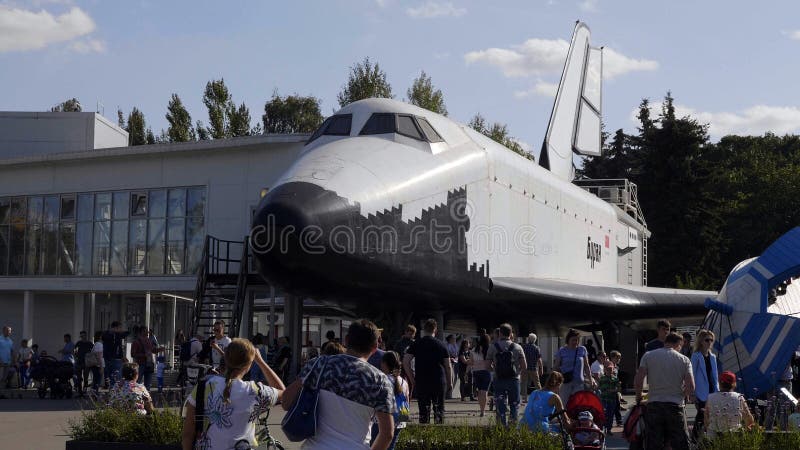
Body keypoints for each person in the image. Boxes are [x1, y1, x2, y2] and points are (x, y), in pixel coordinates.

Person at [282, 319, 395, 450]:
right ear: (375, 347)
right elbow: (387, 434)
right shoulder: (380, 382)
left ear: (346, 340)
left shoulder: (319, 364)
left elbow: (286, 402)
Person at [182, 338, 286, 450]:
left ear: (225, 359)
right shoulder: (256, 392)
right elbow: (284, 394)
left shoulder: (204, 385)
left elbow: (188, 433)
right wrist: (260, 361)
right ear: (248, 365)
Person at [635, 332, 695, 450]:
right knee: (681, 443)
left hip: (654, 404)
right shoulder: (684, 360)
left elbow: (639, 379)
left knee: (653, 443)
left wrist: (639, 397)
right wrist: (683, 395)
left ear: (666, 341)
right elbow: (691, 386)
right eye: (680, 346)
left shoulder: (648, 356)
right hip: (675, 405)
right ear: (678, 343)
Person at [403, 318, 451, 424]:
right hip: (438, 381)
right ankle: (439, 435)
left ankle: (424, 436)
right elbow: (448, 366)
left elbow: (405, 362)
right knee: (439, 411)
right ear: (435, 330)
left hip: (422, 381)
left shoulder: (416, 344)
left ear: (424, 330)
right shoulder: (442, 345)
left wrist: (412, 379)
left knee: (423, 412)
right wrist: (450, 382)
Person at [487, 323, 527, 427]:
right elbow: (524, 366)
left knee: (500, 405)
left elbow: (487, 366)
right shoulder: (518, 347)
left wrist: (496, 370)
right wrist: (517, 372)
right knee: (514, 404)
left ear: (499, 333)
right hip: (514, 380)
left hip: (499, 379)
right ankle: (512, 428)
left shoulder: (493, 347)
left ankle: (501, 428)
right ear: (511, 333)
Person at [370, 351, 409, 450]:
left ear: (384, 363)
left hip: (381, 421)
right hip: (400, 421)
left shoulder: (382, 380)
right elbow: (406, 401)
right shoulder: (403, 382)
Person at [704, 371, 755, 438]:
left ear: (719, 383)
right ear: (734, 384)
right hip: (734, 437)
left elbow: (706, 420)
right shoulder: (739, 397)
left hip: (714, 437)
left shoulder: (710, 397)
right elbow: (749, 420)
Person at [691, 329, 719, 440]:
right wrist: (692, 393)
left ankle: (707, 439)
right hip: (701, 391)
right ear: (701, 341)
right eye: (707, 340)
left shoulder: (713, 357)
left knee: (711, 416)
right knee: (701, 415)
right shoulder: (696, 356)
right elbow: (691, 374)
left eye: (711, 340)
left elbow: (715, 375)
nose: (709, 342)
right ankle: (694, 438)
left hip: (712, 390)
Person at [555, 328, 595, 402]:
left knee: (577, 405)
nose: (575, 342)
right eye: (573, 340)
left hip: (579, 382)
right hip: (565, 381)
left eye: (577, 340)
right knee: (563, 403)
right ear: (568, 340)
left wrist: (590, 380)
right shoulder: (562, 350)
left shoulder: (582, 349)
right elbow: (556, 367)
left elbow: (586, 366)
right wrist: (556, 382)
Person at [469, 333, 493, 417]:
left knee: (479, 391)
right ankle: (483, 411)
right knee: (484, 392)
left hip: (476, 372)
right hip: (486, 371)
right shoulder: (489, 349)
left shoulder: (474, 349)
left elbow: (471, 362)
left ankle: (481, 410)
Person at [102, 321, 130, 386]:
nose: (121, 329)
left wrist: (122, 356)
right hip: (112, 359)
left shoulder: (116, 335)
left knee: (113, 377)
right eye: (120, 328)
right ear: (115, 328)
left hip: (112, 359)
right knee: (114, 377)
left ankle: (113, 391)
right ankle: (113, 392)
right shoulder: (108, 335)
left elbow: (120, 346)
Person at [598, 363, 620, 434]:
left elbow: (619, 389)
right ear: (605, 370)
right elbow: (598, 387)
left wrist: (613, 390)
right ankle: (602, 428)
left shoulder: (615, 379)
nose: (609, 371)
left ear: (613, 370)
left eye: (611, 369)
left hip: (612, 399)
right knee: (603, 414)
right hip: (604, 399)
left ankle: (609, 429)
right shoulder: (602, 378)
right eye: (608, 369)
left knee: (611, 414)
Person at [521, 333, 543, 397]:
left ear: (528, 339)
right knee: (537, 383)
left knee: (524, 383)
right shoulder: (536, 348)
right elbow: (539, 359)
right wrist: (541, 368)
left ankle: (524, 398)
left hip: (525, 368)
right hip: (534, 368)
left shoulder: (524, 347)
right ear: (535, 340)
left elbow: (521, 357)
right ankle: (540, 396)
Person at [74, 331, 95, 396]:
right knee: (79, 378)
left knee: (86, 378)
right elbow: (74, 350)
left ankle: (84, 390)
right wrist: (75, 357)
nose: (82, 337)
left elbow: (93, 351)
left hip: (87, 362)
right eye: (81, 336)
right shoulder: (78, 343)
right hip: (79, 362)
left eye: (83, 336)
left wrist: (91, 359)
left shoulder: (90, 343)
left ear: (86, 336)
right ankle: (80, 392)